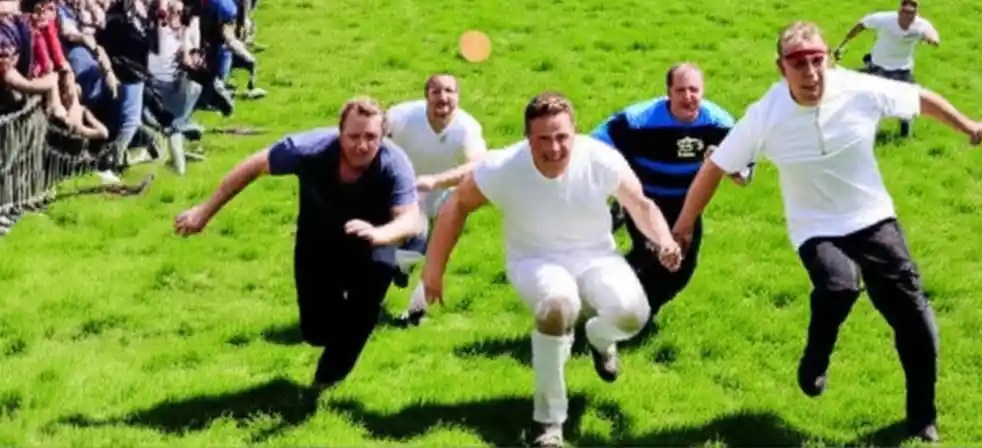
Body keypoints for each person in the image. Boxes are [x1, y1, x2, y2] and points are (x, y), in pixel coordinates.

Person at [673, 21, 982, 444]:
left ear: (828, 58)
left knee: (915, 317)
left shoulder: (857, 89)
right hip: (815, 228)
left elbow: (918, 99)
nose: (812, 74)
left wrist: (969, 125)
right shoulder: (765, 115)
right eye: (799, 65)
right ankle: (815, 359)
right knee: (839, 286)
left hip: (872, 218)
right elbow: (716, 167)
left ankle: (921, 416)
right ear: (781, 68)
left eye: (818, 61)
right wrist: (683, 228)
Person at [421, 91, 682, 448]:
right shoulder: (504, 166)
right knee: (558, 306)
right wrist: (433, 270)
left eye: (562, 137)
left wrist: (664, 242)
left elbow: (640, 205)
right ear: (528, 138)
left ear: (575, 132)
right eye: (543, 139)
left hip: (596, 255)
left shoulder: (600, 158)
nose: (555, 148)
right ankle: (548, 424)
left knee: (633, 315)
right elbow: (457, 206)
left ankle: (600, 339)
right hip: (535, 258)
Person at [173, 97, 423, 391]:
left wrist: (379, 235)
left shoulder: (394, 163)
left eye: (371, 137)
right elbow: (253, 166)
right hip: (319, 237)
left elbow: (409, 221)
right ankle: (338, 330)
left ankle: (325, 380)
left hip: (376, 241)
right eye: (354, 136)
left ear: (383, 136)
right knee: (316, 331)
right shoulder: (309, 150)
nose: (362, 146)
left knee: (361, 313)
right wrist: (204, 212)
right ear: (339, 132)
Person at [591, 63, 749, 326]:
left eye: (694, 90)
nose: (688, 97)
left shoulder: (720, 125)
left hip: (688, 204)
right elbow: (595, 147)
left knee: (681, 270)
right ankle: (628, 317)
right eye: (681, 90)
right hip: (645, 202)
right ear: (669, 93)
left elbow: (744, 176)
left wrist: (727, 166)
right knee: (657, 258)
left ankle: (625, 304)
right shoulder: (637, 121)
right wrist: (615, 186)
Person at [384, 73, 488, 326]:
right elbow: (374, 139)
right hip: (404, 189)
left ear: (458, 96)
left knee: (436, 254)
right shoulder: (402, 116)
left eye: (450, 91)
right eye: (436, 92)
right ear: (426, 96)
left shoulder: (467, 128)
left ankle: (416, 312)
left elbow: (477, 166)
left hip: (443, 194)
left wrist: (436, 181)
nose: (443, 98)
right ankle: (398, 266)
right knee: (411, 240)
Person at [831, 0, 939, 138]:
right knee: (869, 97)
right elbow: (862, 24)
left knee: (907, 101)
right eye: (905, 12)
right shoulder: (885, 19)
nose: (908, 16)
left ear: (916, 14)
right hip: (878, 66)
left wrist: (932, 39)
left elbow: (932, 33)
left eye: (911, 13)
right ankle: (862, 129)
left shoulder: (920, 26)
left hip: (902, 69)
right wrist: (843, 43)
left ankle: (904, 132)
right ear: (899, 12)